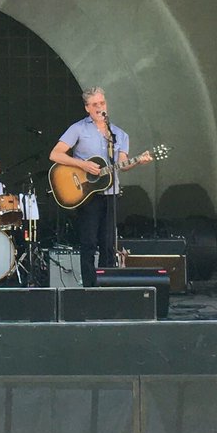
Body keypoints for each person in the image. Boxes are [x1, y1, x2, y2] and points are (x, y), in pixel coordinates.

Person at [51, 88, 154, 287]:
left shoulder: (119, 134)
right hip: (87, 194)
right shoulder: (78, 129)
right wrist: (83, 165)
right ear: (87, 108)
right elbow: (55, 154)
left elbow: (122, 164)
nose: (100, 107)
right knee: (89, 242)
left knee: (108, 243)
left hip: (111, 193)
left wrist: (139, 161)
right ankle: (89, 287)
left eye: (102, 103)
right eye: (95, 104)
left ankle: (106, 286)